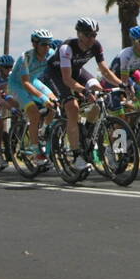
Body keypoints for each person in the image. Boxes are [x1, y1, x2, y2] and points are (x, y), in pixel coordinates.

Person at [54, 18, 126, 171]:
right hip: (58, 75)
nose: (91, 38)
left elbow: (105, 71)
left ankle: (87, 129)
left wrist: (121, 84)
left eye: (94, 35)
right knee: (72, 108)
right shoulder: (66, 48)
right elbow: (67, 79)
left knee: (99, 93)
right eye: (88, 35)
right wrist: (84, 91)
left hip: (77, 70)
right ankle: (76, 157)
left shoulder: (96, 45)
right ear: (79, 34)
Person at [9, 30, 59, 167]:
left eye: (49, 44)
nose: (47, 47)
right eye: (44, 44)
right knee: (34, 113)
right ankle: (36, 152)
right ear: (35, 44)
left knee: (55, 103)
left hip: (34, 81)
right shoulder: (25, 57)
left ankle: (42, 132)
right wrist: (43, 99)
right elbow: (25, 83)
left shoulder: (51, 54)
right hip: (18, 85)